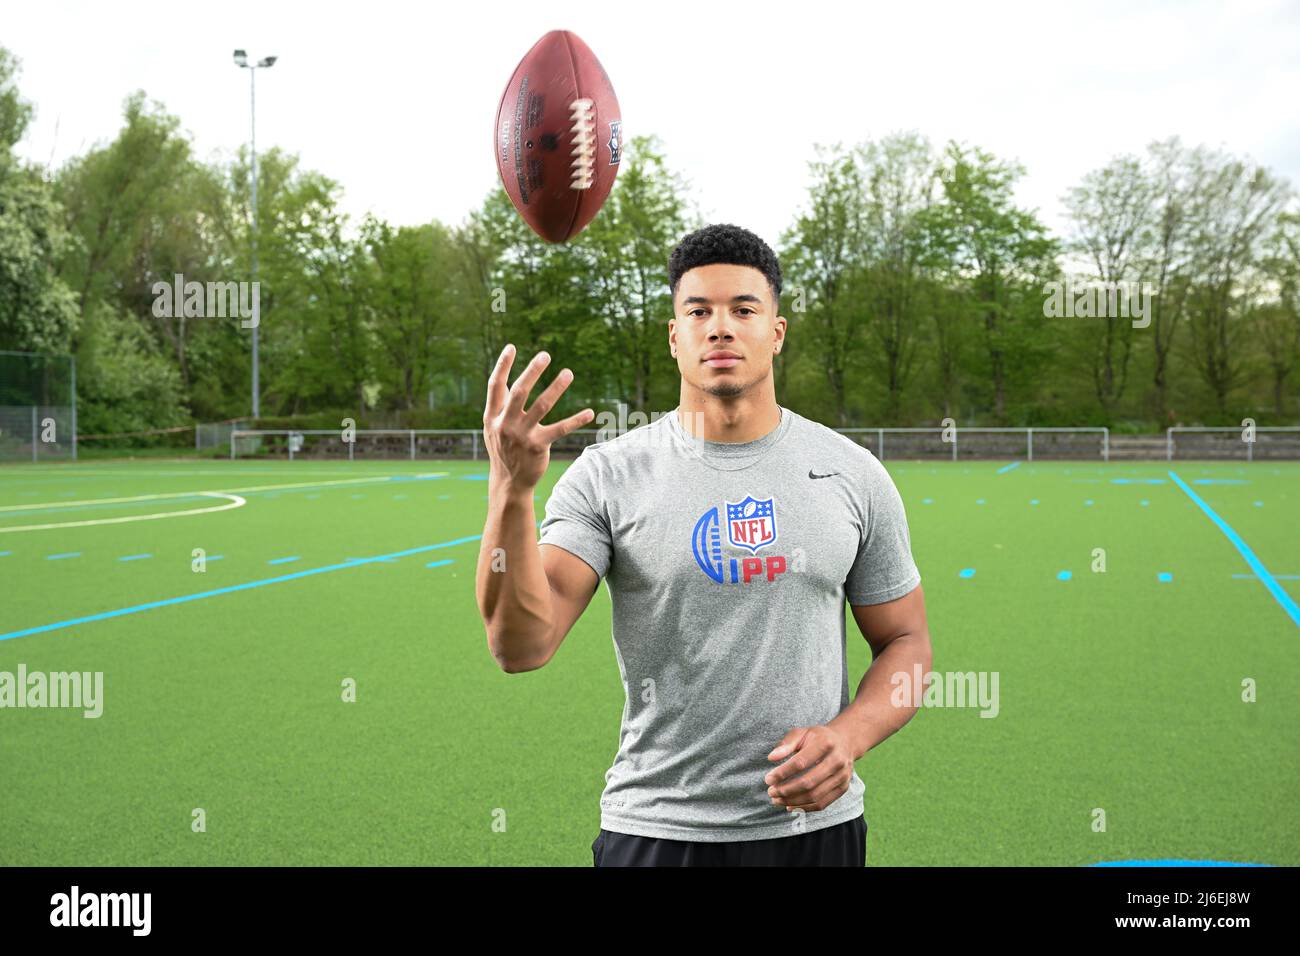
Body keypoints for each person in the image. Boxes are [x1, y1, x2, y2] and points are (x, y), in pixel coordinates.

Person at [475, 223, 932, 866]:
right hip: (656, 831)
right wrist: (511, 492)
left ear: (775, 333)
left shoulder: (852, 473)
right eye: (699, 311)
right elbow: (520, 646)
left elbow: (907, 643)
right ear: (674, 336)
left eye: (744, 309)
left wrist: (847, 738)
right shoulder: (607, 476)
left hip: (812, 834)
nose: (721, 327)